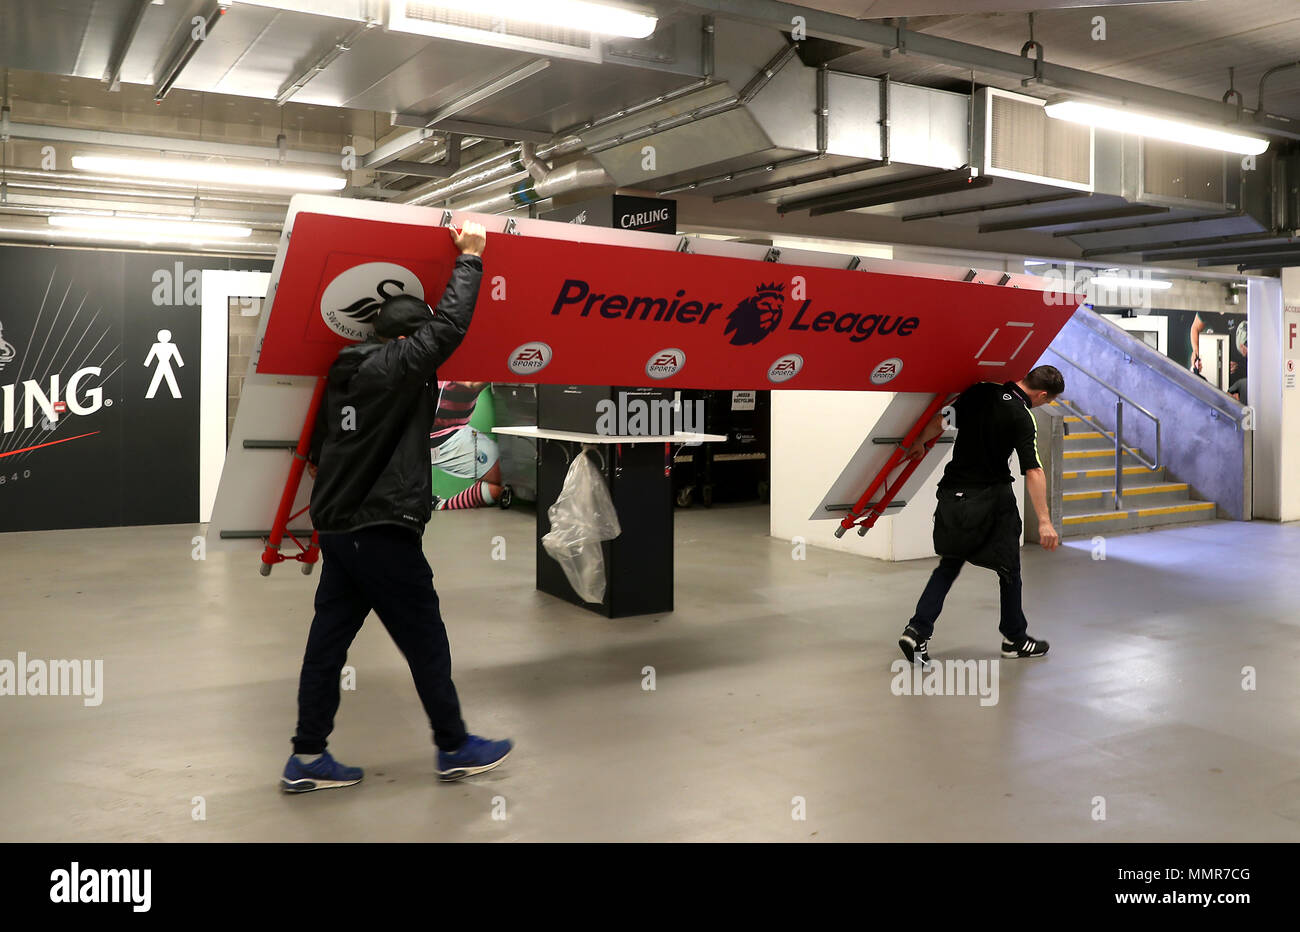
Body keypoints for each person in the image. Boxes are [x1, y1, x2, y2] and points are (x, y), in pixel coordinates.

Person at [280, 221, 512, 794]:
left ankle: (308, 756)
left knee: (328, 643)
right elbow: (449, 329)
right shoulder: (393, 367)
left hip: (340, 529)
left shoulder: (342, 372)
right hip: (382, 529)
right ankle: (454, 746)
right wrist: (472, 258)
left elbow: (316, 452)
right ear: (407, 343)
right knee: (425, 640)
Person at [897, 365, 1065, 667]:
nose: (1044, 404)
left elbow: (942, 421)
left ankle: (917, 631)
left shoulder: (980, 391)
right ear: (1041, 394)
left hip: (952, 494)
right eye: (1047, 401)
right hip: (990, 500)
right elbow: (1034, 470)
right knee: (1009, 569)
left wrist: (921, 440)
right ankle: (1015, 639)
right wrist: (1044, 520)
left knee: (948, 565)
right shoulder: (1022, 416)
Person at [430, 381, 505, 510]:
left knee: (503, 485)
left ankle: (440, 505)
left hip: (454, 430)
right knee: (509, 475)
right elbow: (471, 383)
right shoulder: (452, 363)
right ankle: (439, 506)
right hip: (440, 438)